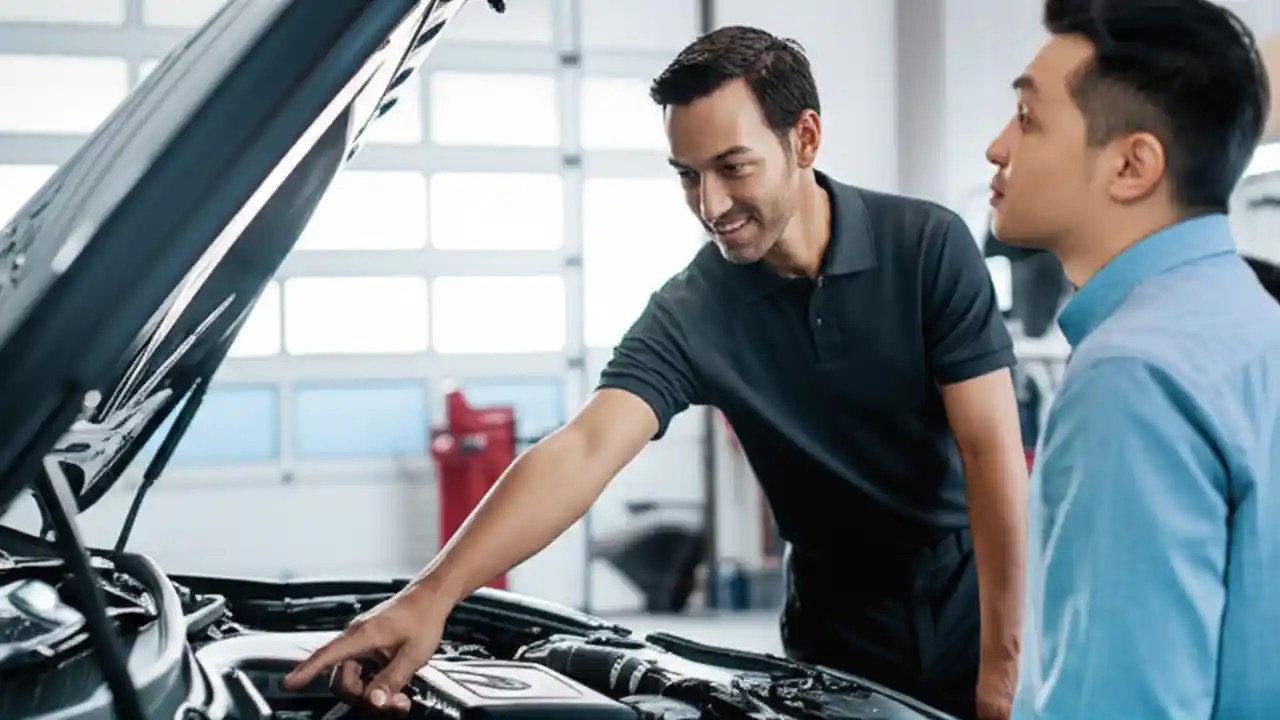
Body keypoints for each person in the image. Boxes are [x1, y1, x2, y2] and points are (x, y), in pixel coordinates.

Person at [284, 25, 1029, 720]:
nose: (710, 205)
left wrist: (1003, 663)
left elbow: (992, 454)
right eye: (687, 176)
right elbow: (581, 448)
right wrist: (431, 595)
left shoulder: (926, 246)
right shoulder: (694, 307)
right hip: (833, 632)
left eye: (733, 168)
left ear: (804, 138)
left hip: (971, 598)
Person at [984, 0, 1280, 717]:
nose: (998, 147)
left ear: (1131, 164)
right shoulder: (1253, 320)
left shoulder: (1133, 375)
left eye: (1028, 118)